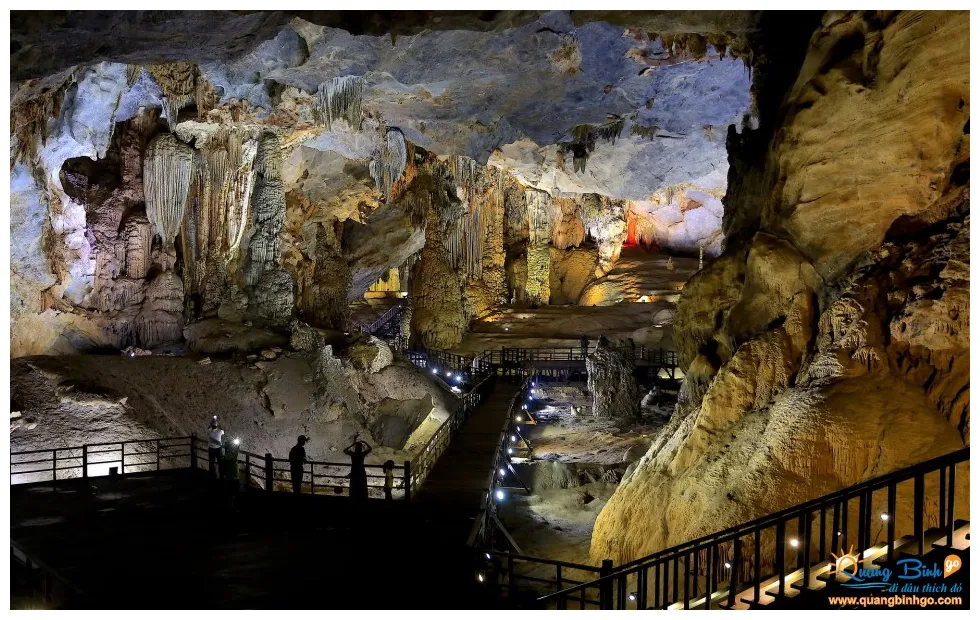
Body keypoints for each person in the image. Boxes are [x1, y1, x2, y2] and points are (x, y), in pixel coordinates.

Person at [219, 436, 241, 507]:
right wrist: (238, 445)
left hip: (228, 477)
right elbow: (236, 453)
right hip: (234, 477)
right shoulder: (233, 458)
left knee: (229, 493)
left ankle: (229, 504)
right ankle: (231, 505)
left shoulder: (225, 458)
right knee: (234, 493)